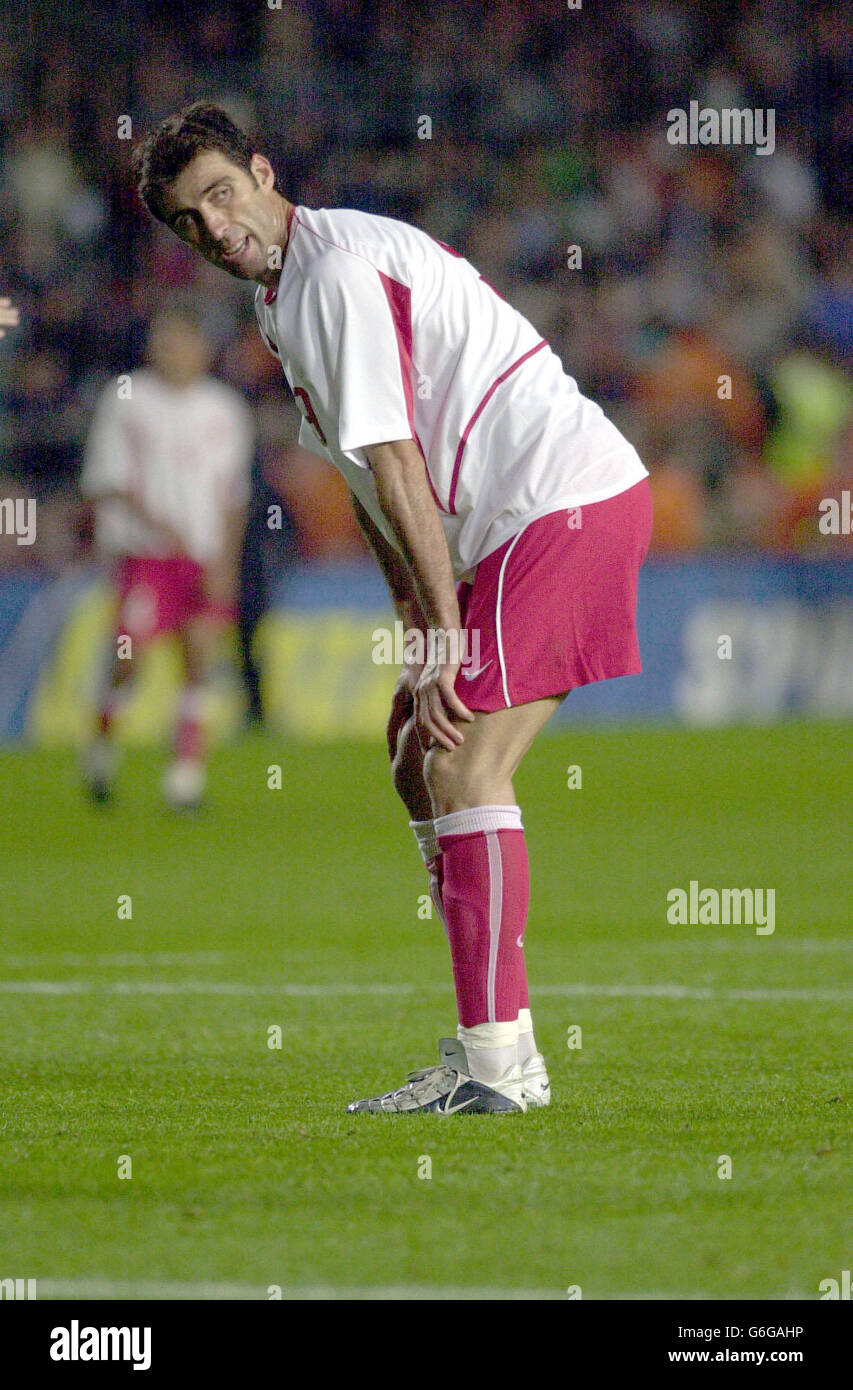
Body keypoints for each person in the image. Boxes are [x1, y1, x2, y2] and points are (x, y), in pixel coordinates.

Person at [132, 102, 652, 1112]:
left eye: (221, 195)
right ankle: (478, 1047)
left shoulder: (329, 274)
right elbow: (366, 479)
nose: (213, 226)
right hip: (516, 525)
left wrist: (446, 626)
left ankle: (503, 1068)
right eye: (188, 220)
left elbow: (396, 457)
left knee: (462, 754)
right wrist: (420, 620)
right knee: (414, 744)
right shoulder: (283, 295)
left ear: (264, 172)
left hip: (562, 505)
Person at [80, 302, 253, 809]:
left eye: (180, 339)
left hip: (202, 558)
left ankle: (185, 776)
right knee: (129, 657)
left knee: (197, 658)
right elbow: (106, 480)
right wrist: (161, 526)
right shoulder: (127, 397)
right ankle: (101, 744)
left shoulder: (225, 409)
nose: (171, 350)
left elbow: (233, 497)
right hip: (146, 555)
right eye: (163, 339)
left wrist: (225, 561)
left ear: (201, 348)